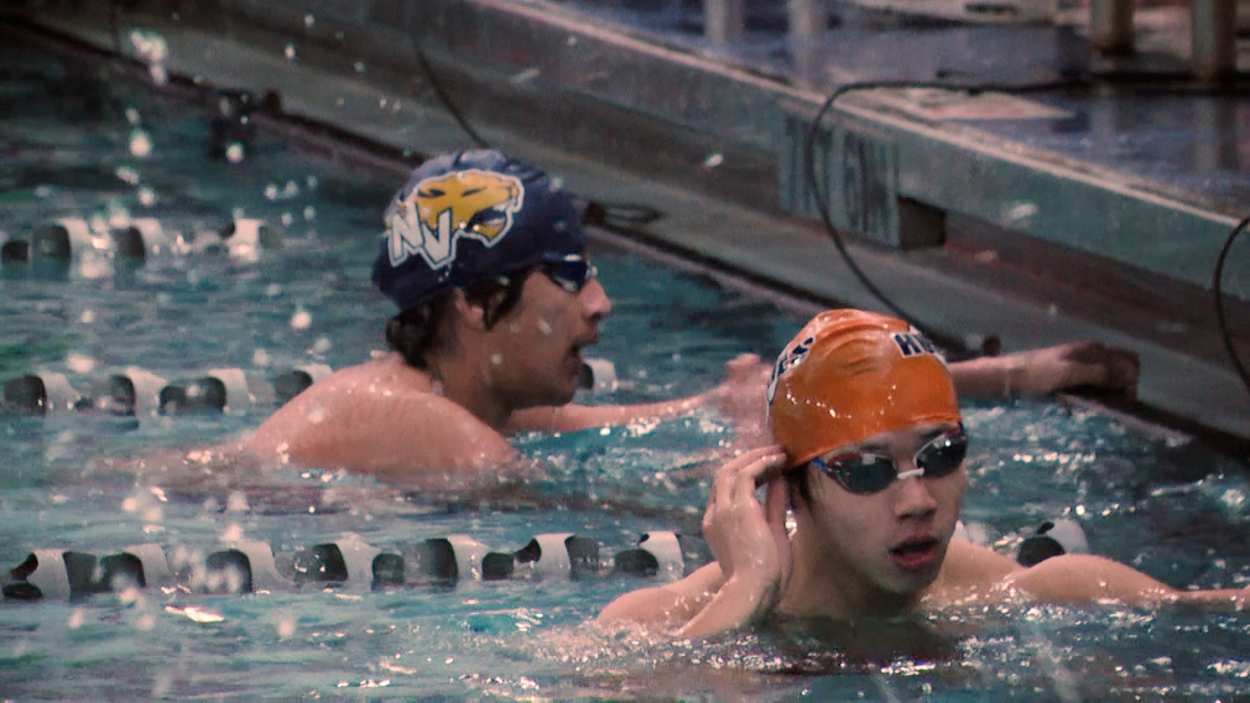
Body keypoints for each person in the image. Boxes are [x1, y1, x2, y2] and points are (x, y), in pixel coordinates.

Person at [240, 150, 1138, 488]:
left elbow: (677, 419)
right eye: (568, 275)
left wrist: (1009, 376)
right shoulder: (425, 424)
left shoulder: (473, 404)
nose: (601, 303)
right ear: (476, 303)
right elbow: (623, 510)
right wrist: (754, 443)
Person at [597, 309, 1239, 638]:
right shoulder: (654, 622)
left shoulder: (1039, 598)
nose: (917, 501)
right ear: (788, 486)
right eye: (868, 471)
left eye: (940, 455)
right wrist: (747, 594)